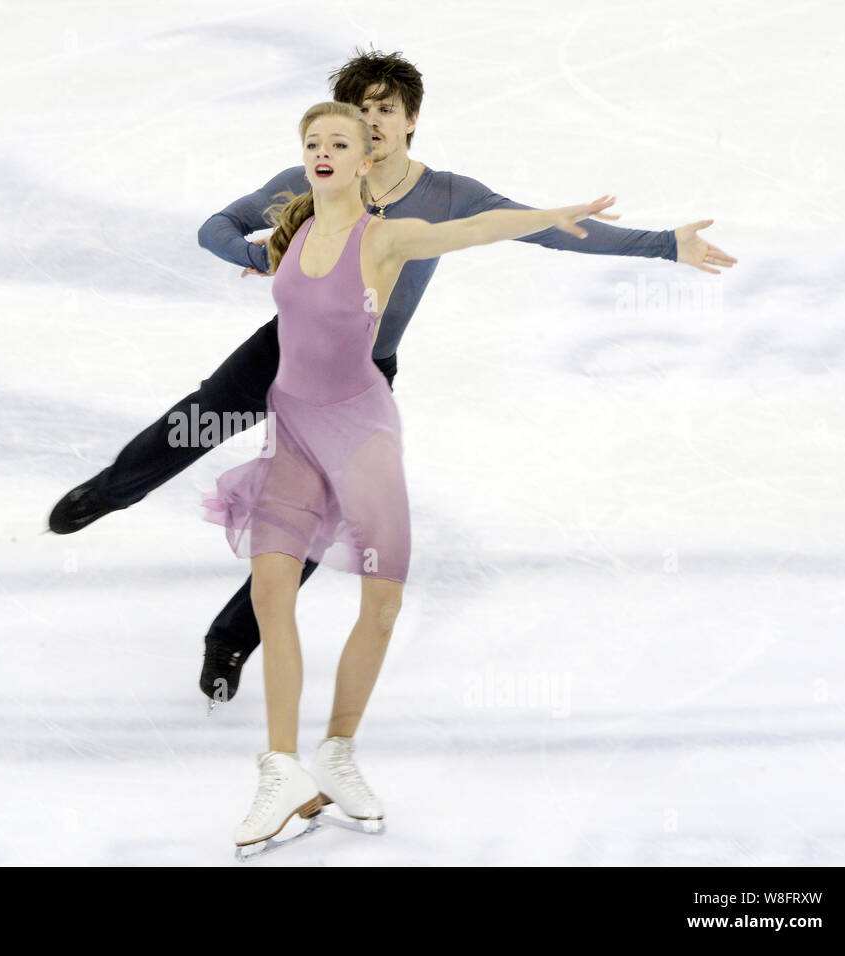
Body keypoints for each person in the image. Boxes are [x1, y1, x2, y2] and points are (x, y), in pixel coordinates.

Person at [47, 50, 736, 706]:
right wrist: (251, 253)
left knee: (312, 518)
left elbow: (546, 229)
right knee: (194, 424)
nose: (369, 119)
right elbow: (215, 225)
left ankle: (230, 640)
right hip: (283, 349)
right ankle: (109, 491)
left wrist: (666, 245)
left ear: (410, 119)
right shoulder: (315, 178)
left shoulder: (446, 196)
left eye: (384, 106)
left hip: (359, 381)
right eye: (357, 107)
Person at [213, 99, 619, 852]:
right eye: (314, 142)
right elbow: (235, 246)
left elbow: (467, 229)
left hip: (362, 435)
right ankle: (281, 769)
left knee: (383, 601)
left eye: (340, 141)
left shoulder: (386, 237)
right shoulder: (294, 231)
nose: (324, 151)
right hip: (295, 430)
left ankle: (337, 750)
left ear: (368, 158)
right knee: (272, 588)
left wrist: (548, 216)